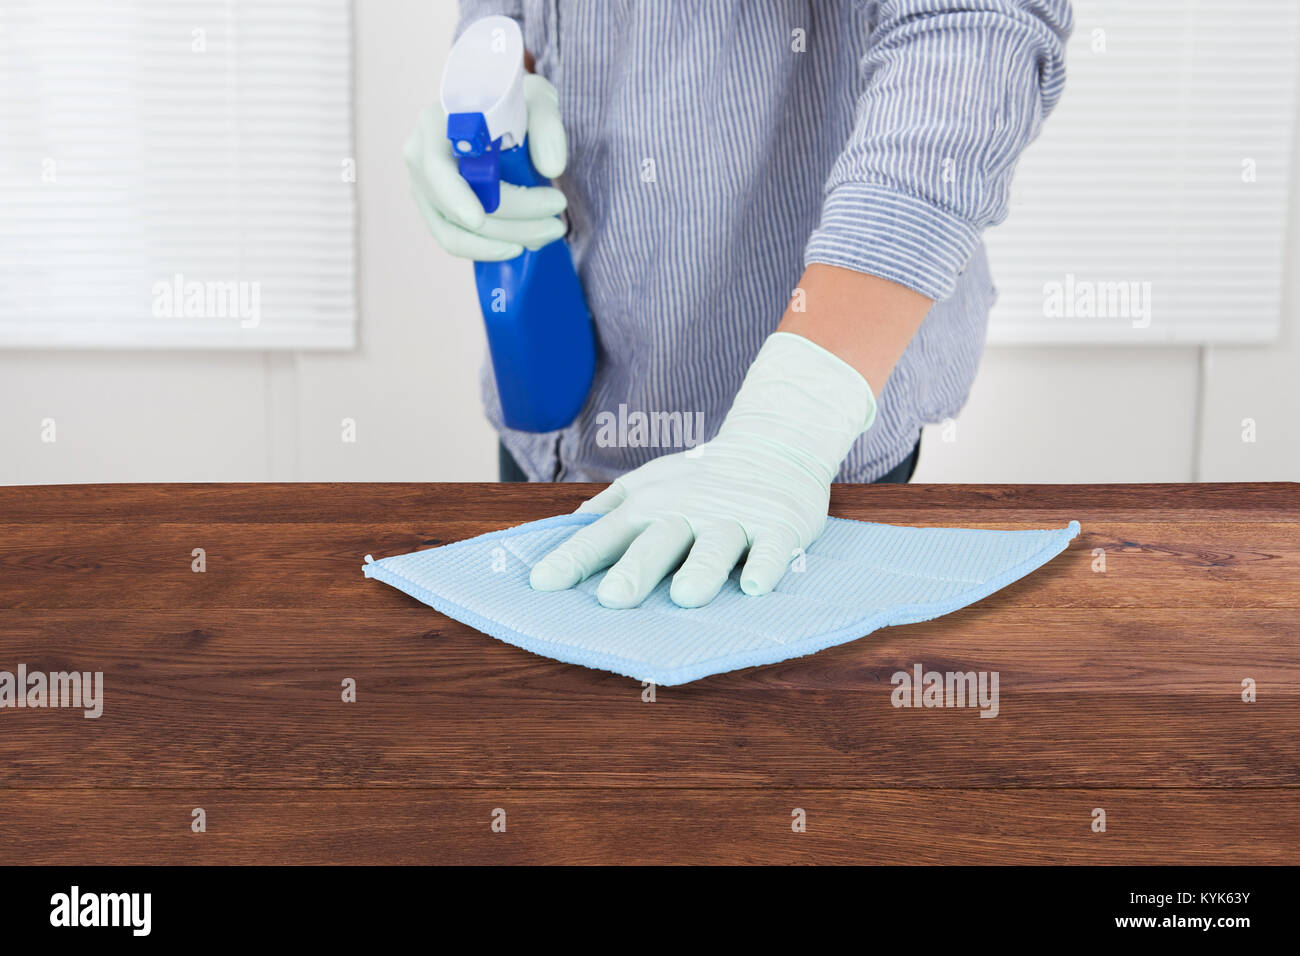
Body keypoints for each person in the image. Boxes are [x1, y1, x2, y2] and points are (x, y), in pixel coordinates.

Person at [406, 0, 1072, 610]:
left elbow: (966, 41)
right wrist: (490, 74)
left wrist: (794, 420)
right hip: (551, 398)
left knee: (785, 728)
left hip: (795, 449)